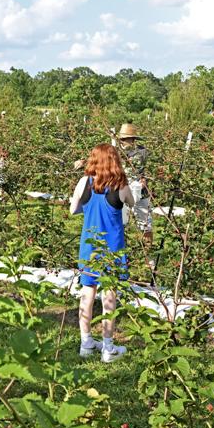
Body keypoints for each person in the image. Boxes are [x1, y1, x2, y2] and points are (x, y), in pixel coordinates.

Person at [69, 143, 135, 363]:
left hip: (89, 247)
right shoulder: (121, 185)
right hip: (112, 250)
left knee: (87, 292)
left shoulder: (84, 182)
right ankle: (108, 348)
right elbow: (132, 203)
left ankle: (86, 343)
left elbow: (73, 209)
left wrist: (88, 208)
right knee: (109, 295)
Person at [117, 123, 153, 243]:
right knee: (121, 223)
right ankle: (122, 249)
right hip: (122, 192)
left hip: (141, 193)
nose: (123, 142)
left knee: (145, 225)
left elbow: (152, 169)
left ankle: (148, 251)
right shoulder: (116, 153)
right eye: (121, 139)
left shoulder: (143, 152)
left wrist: (146, 179)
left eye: (125, 139)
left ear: (133, 139)